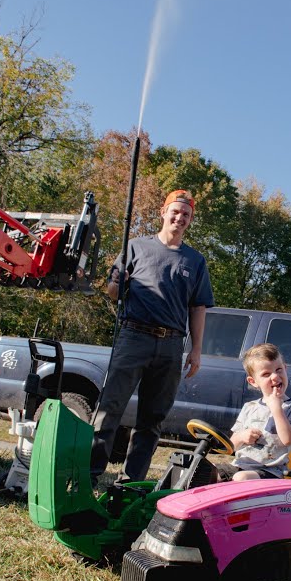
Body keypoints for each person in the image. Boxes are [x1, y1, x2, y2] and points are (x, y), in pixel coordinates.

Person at [90, 189, 215, 483]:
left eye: (186, 214)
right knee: (110, 408)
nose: (179, 217)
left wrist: (196, 350)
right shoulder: (135, 247)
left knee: (152, 419)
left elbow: (198, 308)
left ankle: (131, 483)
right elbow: (112, 293)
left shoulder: (195, 261)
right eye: (175, 211)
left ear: (190, 220)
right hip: (134, 336)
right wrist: (117, 283)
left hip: (172, 345)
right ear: (163, 212)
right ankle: (92, 472)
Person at [216, 343, 291, 481]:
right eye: (266, 374)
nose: (275, 377)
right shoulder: (249, 407)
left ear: (285, 368)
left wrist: (276, 408)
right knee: (205, 470)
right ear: (253, 381)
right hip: (240, 466)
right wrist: (241, 436)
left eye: (279, 370)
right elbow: (231, 445)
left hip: (270, 471)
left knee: (242, 478)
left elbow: (288, 439)